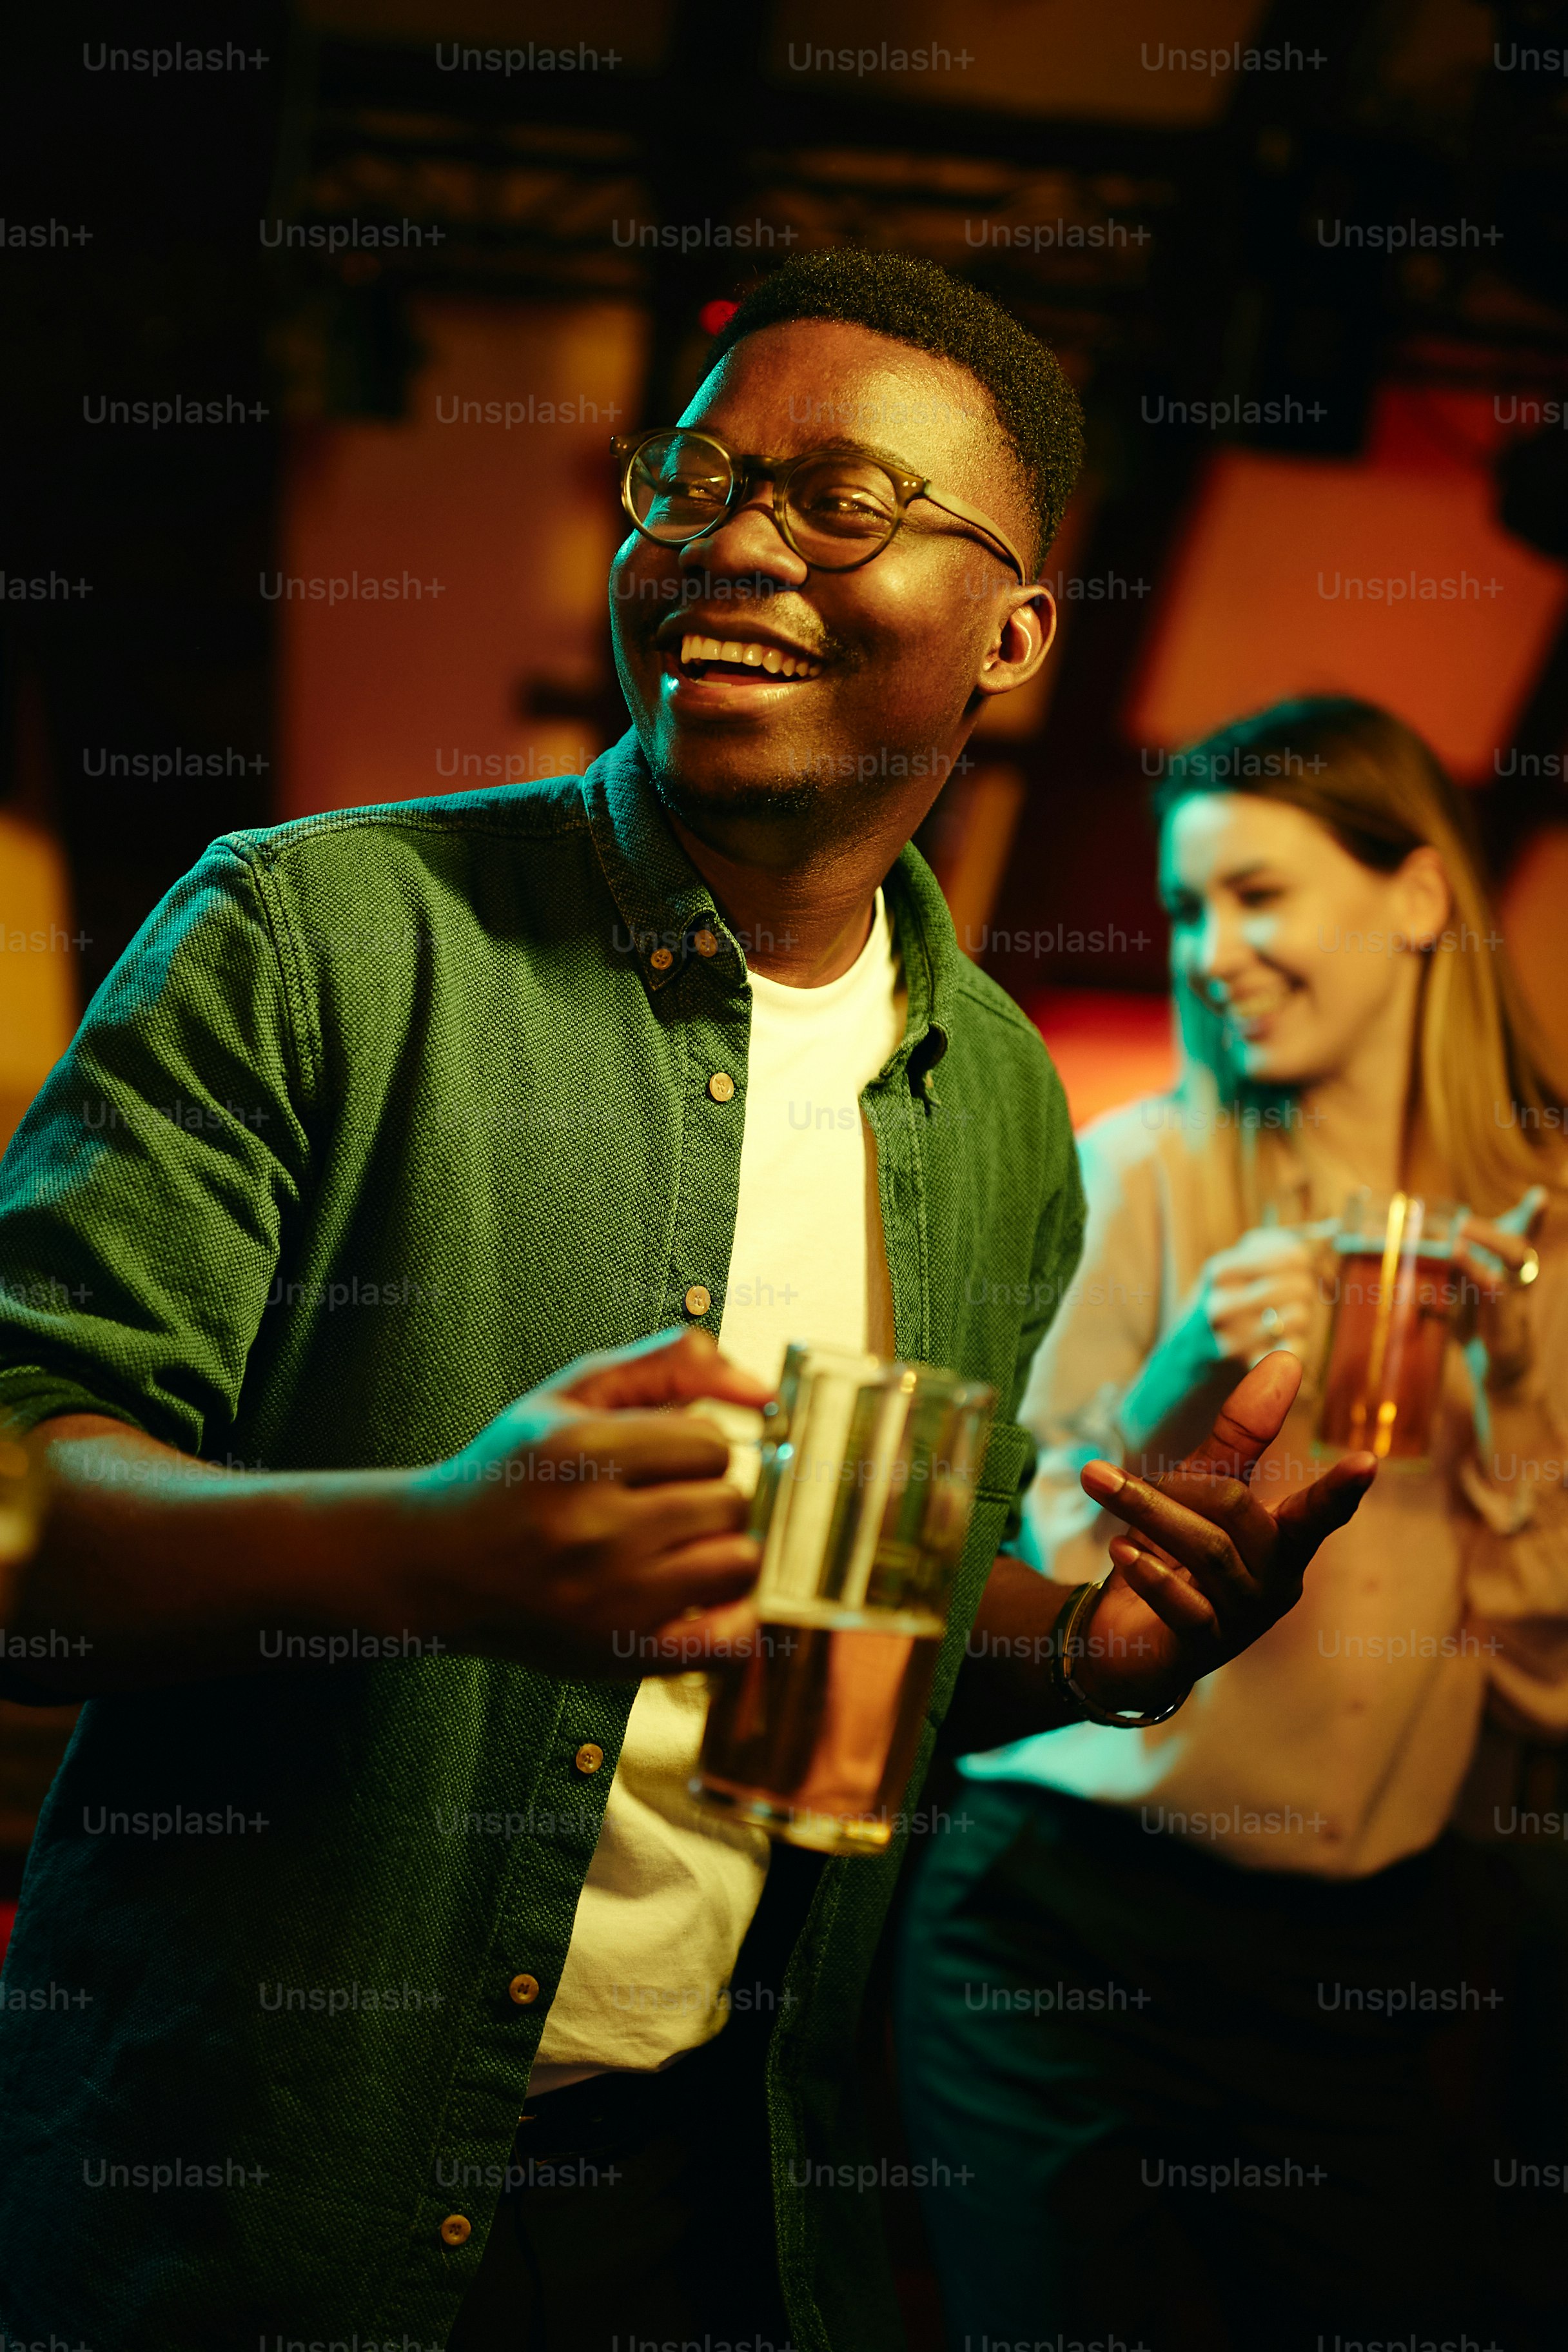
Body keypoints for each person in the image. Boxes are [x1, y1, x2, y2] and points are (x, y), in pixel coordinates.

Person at [0, 258, 1373, 2352]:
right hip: (273, 2180)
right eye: (695, 479)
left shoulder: (997, 1092)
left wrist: (1099, 1644)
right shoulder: (308, 934)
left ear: (1016, 633)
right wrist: (424, 1548)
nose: (729, 541)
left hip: (723, 2189)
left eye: (840, 502)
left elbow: (881, 1609)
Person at [897, 696, 1568, 2352]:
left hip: (1355, 1963)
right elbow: (1011, 1579)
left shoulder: (1541, 1227)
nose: (1211, 951)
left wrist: (1517, 1402)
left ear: (1419, 896)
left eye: (1257, 896)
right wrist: (1174, 1382)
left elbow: (1545, 1667)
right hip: (1059, 1929)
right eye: (1187, 908)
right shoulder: (1134, 1170)